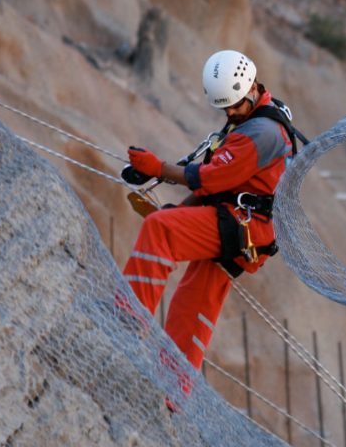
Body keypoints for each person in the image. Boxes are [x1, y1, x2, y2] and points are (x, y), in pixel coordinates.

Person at [120, 49, 305, 375]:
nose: (230, 113)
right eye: (224, 108)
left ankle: (124, 322)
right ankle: (173, 389)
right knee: (195, 303)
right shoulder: (260, 116)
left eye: (234, 106)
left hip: (243, 223)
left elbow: (210, 178)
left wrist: (158, 168)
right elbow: (217, 184)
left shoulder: (261, 133)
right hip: (249, 228)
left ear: (251, 90)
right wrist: (182, 209)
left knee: (160, 229)